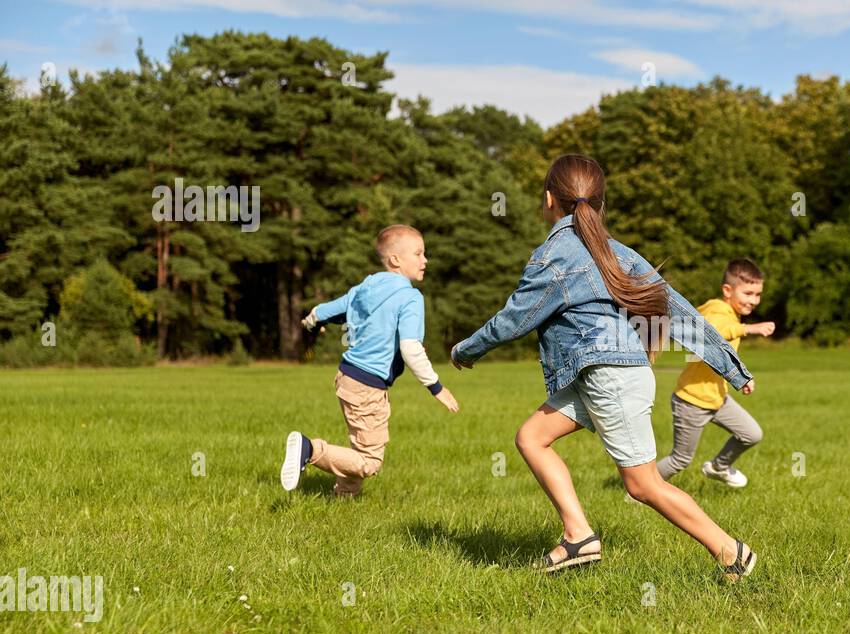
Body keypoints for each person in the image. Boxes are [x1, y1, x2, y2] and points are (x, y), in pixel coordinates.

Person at [450, 154, 758, 580]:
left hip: (609, 376)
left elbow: (514, 318)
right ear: (599, 202)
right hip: (602, 372)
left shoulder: (552, 256)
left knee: (643, 485)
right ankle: (578, 537)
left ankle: (732, 551)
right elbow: (680, 312)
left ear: (548, 199)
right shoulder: (616, 251)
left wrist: (465, 350)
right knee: (532, 437)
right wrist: (732, 367)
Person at [280, 224, 459, 497]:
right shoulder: (410, 297)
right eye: (419, 253)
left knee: (360, 446)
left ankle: (344, 497)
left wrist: (312, 324)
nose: (425, 260)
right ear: (395, 259)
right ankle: (310, 449)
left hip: (347, 378)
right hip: (368, 386)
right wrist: (436, 387)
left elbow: (325, 311)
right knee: (370, 462)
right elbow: (410, 348)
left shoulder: (367, 286)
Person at [657, 258, 773, 488]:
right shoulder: (717, 309)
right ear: (727, 290)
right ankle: (638, 487)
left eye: (757, 294)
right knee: (680, 460)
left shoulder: (731, 313)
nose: (754, 300)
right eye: (748, 293)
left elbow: (723, 353)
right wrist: (750, 329)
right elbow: (714, 332)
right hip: (691, 400)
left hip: (717, 398)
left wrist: (740, 377)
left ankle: (719, 467)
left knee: (751, 434)